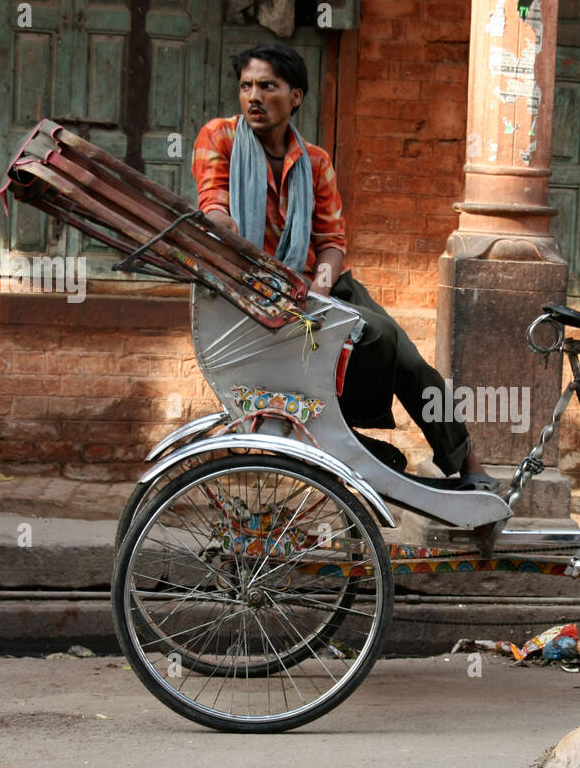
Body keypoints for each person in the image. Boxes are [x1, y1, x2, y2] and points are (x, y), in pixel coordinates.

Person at [192, 43, 493, 488]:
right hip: (259, 293)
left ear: (295, 96)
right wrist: (236, 242)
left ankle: (467, 463)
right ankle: (352, 440)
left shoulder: (315, 161)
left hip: (318, 284)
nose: (253, 97)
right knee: (378, 336)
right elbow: (213, 204)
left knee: (412, 365)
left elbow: (332, 240)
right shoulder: (220, 137)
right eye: (246, 86)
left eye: (267, 86)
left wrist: (321, 289)